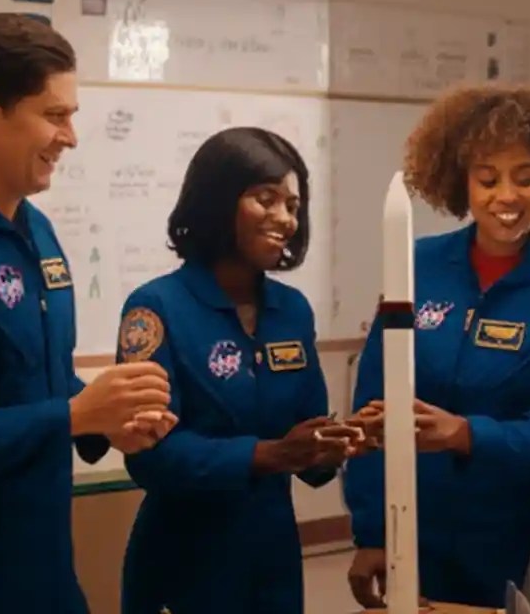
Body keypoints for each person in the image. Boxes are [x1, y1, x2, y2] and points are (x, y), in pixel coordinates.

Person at [0, 13, 176, 613]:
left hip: (44, 569)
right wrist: (73, 414)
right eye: (54, 115)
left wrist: (106, 421)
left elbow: (31, 384)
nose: (70, 137)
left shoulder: (37, 230)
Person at [343, 83, 530, 614]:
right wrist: (373, 530)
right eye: (487, 179)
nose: (505, 196)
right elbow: (374, 414)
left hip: (523, 543)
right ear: (461, 182)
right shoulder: (416, 267)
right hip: (422, 538)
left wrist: (465, 434)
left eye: (524, 178)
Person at [116, 127, 362, 614]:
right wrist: (268, 455)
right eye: (265, 198)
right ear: (217, 200)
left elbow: (308, 449)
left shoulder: (291, 311)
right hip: (185, 560)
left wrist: (341, 442)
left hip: (272, 558)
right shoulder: (156, 308)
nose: (285, 218)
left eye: (292, 205)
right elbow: (151, 458)